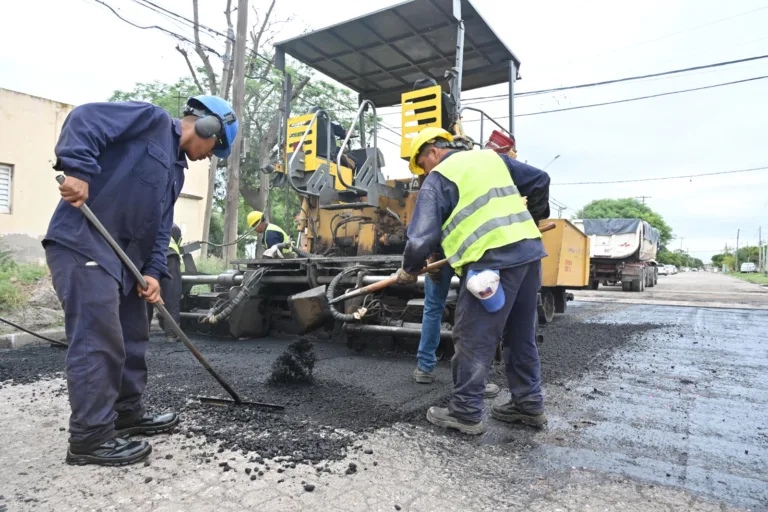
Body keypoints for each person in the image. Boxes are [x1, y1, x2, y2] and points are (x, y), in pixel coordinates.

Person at [44, 95, 238, 465]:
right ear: (207, 126)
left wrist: (151, 272)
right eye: (216, 147)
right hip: (84, 243)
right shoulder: (148, 120)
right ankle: (90, 437)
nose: (210, 156)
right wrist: (78, 170)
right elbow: (85, 119)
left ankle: (125, 413)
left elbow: (161, 226)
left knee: (134, 333)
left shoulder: (175, 171)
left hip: (125, 262)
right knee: (98, 340)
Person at [397, 127, 550, 435]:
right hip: (528, 255)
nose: (425, 173)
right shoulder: (493, 159)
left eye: (422, 166)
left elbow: (419, 239)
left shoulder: (439, 177)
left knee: (473, 335)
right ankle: (528, 404)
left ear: (432, 153)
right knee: (520, 333)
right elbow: (540, 180)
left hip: (490, 261)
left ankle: (465, 411)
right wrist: (533, 218)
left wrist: (408, 269)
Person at [146, 223, 183, 342]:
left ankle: (142, 333)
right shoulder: (172, 225)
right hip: (169, 257)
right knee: (171, 296)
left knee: (145, 292)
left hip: (147, 257)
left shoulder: (142, 219)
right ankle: (172, 334)